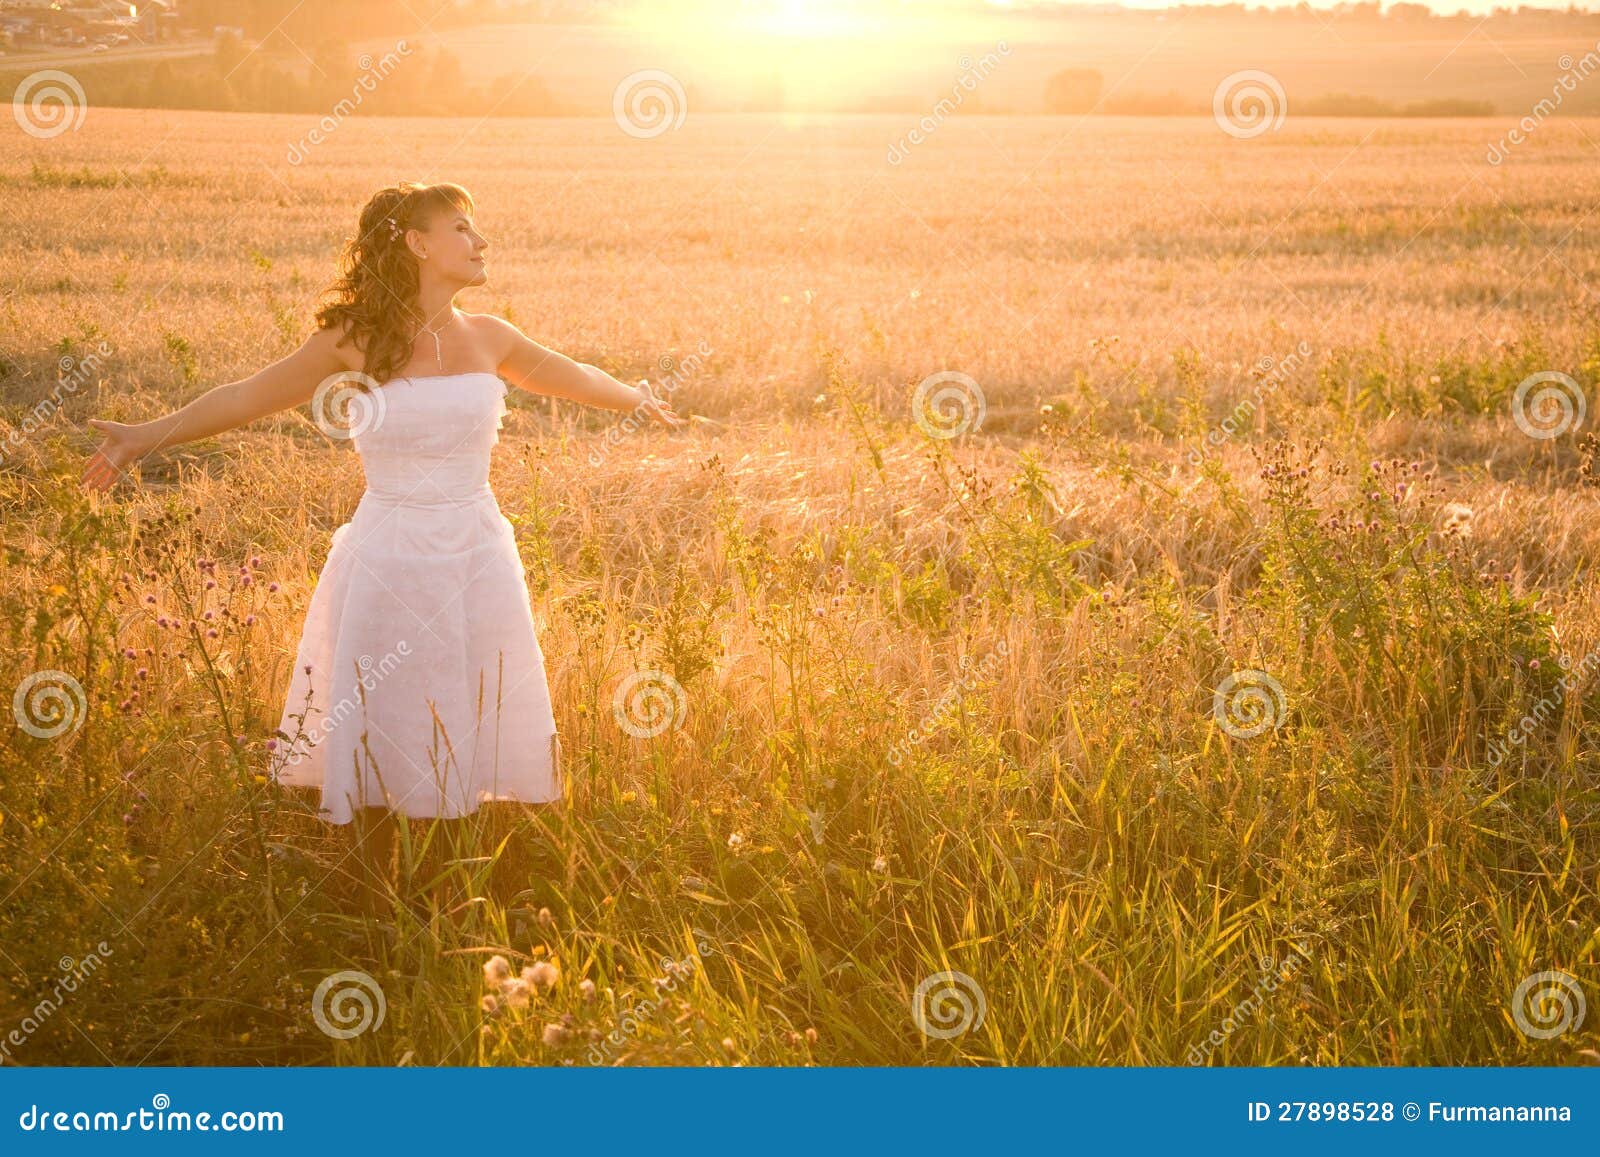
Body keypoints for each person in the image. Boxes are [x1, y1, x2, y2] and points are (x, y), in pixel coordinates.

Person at [81, 180, 684, 910]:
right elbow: (244, 395)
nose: (480, 241)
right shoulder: (353, 340)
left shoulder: (491, 338)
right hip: (387, 558)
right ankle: (368, 917)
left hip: (476, 558)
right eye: (462, 228)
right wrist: (144, 438)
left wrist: (635, 394)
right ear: (418, 244)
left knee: (465, 720)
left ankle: (446, 913)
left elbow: (572, 375)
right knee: (378, 731)